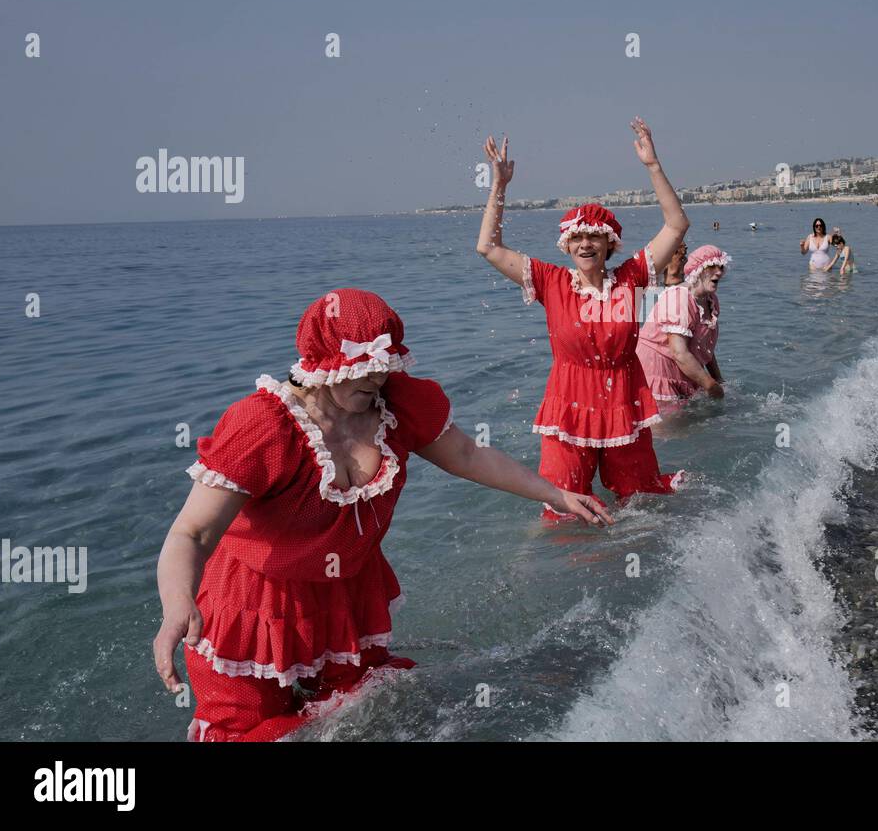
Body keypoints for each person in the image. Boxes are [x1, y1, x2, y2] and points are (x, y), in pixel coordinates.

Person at [153, 289, 609, 741]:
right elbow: (192, 532)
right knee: (250, 729)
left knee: (359, 714)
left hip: (348, 591)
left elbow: (469, 456)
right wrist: (177, 605)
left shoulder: (398, 403)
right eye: (364, 369)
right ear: (322, 366)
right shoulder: (262, 427)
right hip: (255, 602)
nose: (377, 380)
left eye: (385, 366)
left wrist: (555, 494)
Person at [475, 119, 689, 522]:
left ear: (609, 244)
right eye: (577, 238)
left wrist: (652, 165)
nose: (585, 243)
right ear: (567, 245)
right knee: (564, 515)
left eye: (594, 237)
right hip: (568, 412)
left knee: (642, 506)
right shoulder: (551, 282)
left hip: (624, 406)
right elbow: (488, 246)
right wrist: (499, 185)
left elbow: (677, 225)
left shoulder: (633, 278)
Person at [636, 245, 730, 401]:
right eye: (712, 267)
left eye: (721, 267)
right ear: (698, 270)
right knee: (670, 424)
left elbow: (705, 347)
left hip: (680, 369)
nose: (719, 272)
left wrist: (718, 380)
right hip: (656, 370)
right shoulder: (679, 299)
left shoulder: (711, 300)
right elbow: (679, 353)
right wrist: (710, 386)